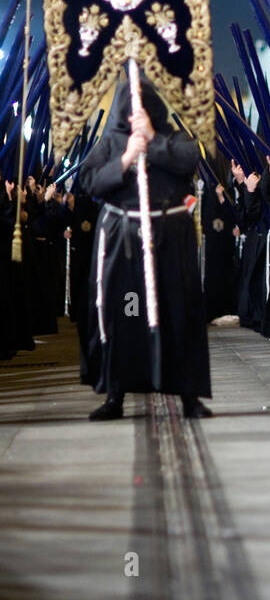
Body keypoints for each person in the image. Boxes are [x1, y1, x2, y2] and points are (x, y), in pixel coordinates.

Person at [78, 72, 212, 420]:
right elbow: (89, 181)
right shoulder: (110, 142)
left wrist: (152, 142)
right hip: (127, 250)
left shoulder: (174, 136)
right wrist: (126, 158)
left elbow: (188, 161)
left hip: (169, 246)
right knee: (128, 315)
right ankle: (116, 394)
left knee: (175, 314)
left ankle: (188, 396)